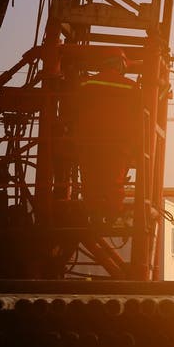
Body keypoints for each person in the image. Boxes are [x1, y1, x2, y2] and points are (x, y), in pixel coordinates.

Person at [75, 48, 138, 225]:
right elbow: (140, 113)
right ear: (120, 65)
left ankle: (94, 213)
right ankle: (111, 214)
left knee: (90, 180)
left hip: (89, 142)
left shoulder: (86, 84)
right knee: (114, 181)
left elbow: (74, 109)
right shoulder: (131, 86)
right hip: (118, 143)